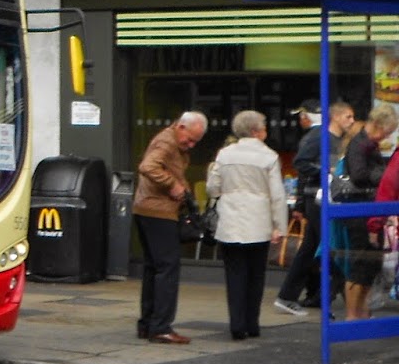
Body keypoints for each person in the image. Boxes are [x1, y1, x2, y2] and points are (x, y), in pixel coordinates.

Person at [209, 110, 287, 340]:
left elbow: (213, 188)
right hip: (259, 221)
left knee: (234, 275)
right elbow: (278, 196)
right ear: (255, 131)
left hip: (230, 221)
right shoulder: (269, 157)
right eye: (263, 127)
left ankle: (237, 324)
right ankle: (252, 323)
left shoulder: (224, 154)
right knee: (256, 275)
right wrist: (279, 226)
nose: (266, 131)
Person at [132, 110, 207, 343]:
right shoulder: (167, 140)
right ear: (181, 127)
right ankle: (161, 327)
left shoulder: (170, 139)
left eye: (196, 141)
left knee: (153, 268)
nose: (191, 144)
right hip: (159, 211)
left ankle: (148, 324)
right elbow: (148, 166)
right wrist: (173, 185)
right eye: (190, 138)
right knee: (167, 268)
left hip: (146, 209)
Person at [275, 100, 353, 315]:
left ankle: (288, 296)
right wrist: (325, 172)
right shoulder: (318, 137)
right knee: (332, 246)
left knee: (309, 249)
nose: (351, 121)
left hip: (327, 198)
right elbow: (301, 163)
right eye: (348, 116)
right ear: (335, 116)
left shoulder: (340, 140)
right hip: (317, 198)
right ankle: (343, 298)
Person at [336, 103, 396, 320]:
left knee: (369, 265)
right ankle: (353, 314)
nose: (386, 136)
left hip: (368, 210)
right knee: (359, 264)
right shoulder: (360, 145)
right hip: (358, 212)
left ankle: (363, 312)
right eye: (386, 132)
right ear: (378, 124)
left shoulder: (370, 145)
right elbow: (359, 175)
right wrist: (384, 176)